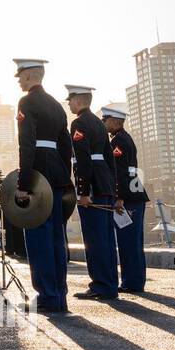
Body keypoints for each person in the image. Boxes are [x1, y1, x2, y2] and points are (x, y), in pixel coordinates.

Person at [12, 59, 73, 314]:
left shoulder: (27, 102)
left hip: (38, 176)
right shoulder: (57, 106)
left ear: (28, 76)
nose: (18, 81)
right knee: (57, 239)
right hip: (57, 176)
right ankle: (59, 296)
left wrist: (24, 183)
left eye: (20, 77)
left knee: (39, 239)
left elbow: (26, 145)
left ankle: (47, 296)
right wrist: (65, 178)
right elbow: (66, 147)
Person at [66, 85, 119, 301]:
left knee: (94, 240)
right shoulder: (98, 123)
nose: (69, 103)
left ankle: (100, 285)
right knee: (106, 238)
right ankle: (110, 284)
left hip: (93, 188)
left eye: (70, 100)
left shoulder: (78, 123)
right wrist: (114, 191)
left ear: (78, 101)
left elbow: (83, 160)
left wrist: (83, 191)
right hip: (104, 185)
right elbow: (110, 160)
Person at [103, 106, 148, 294]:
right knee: (133, 241)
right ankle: (134, 280)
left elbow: (121, 172)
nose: (103, 123)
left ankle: (132, 282)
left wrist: (119, 197)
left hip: (128, 198)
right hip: (134, 195)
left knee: (128, 241)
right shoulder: (123, 138)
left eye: (105, 119)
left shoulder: (119, 141)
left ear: (115, 121)